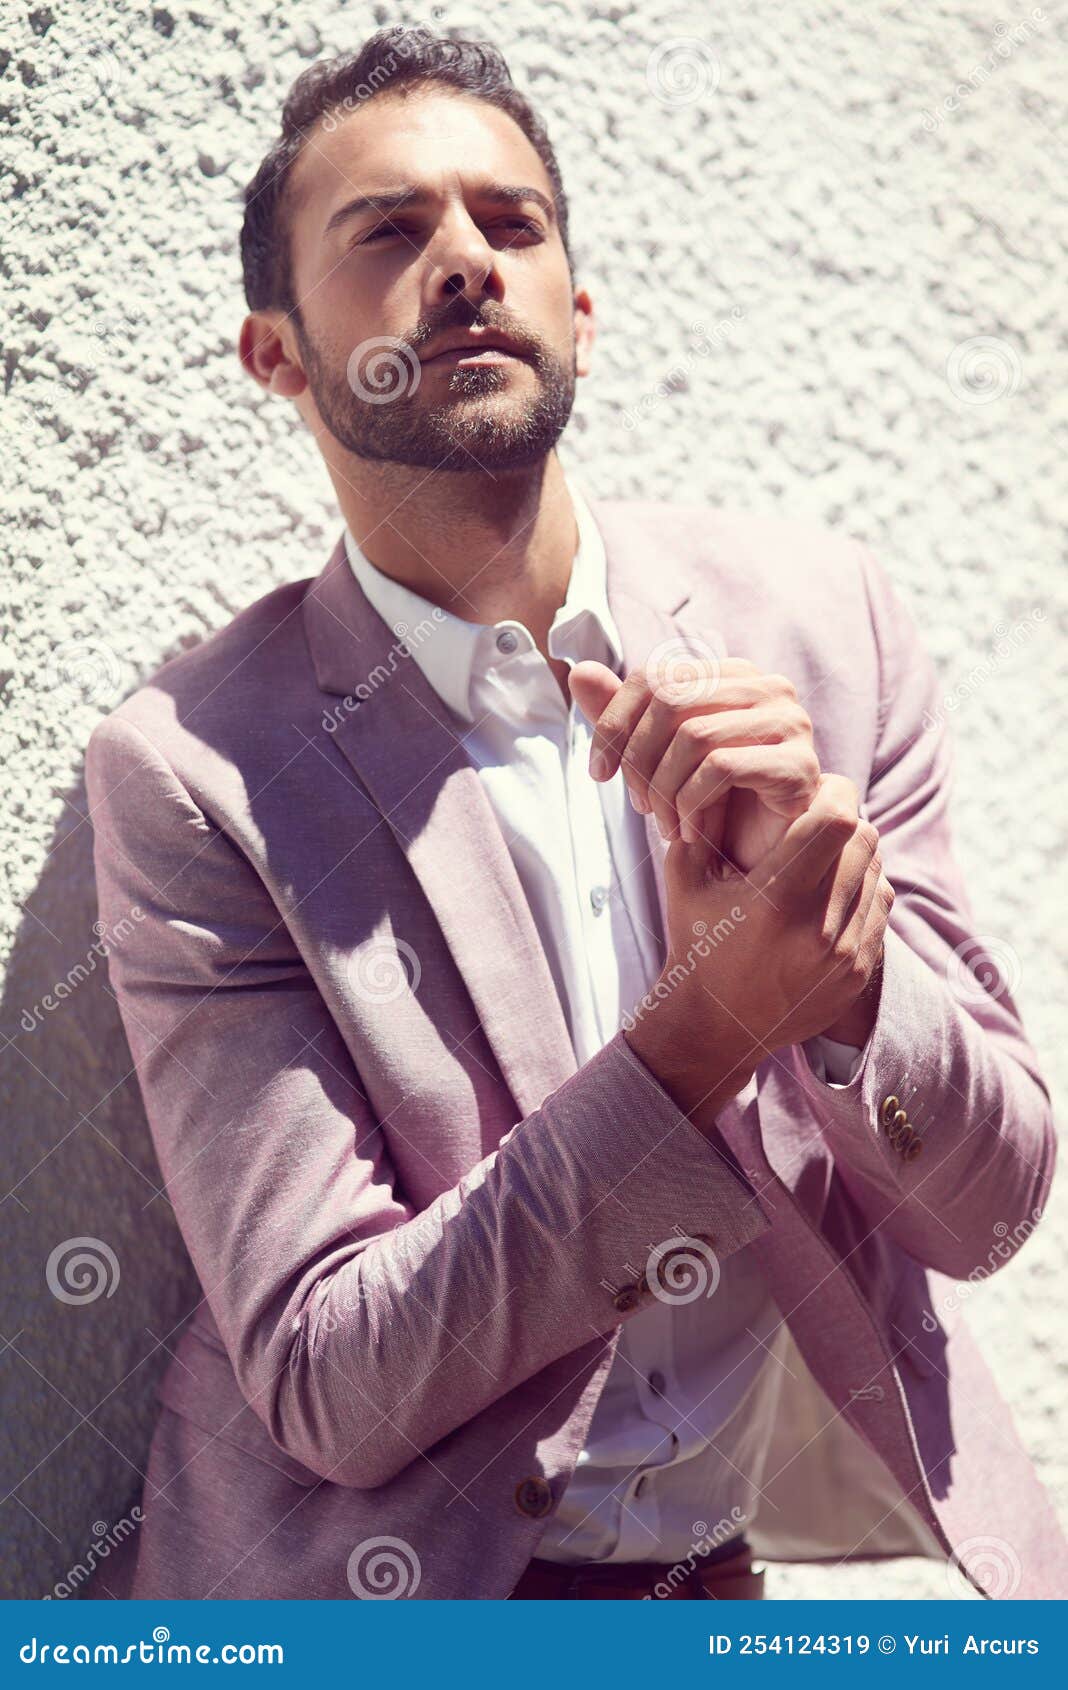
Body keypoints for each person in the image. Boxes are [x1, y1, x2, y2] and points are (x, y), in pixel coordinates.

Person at [84, 26, 1065, 1601]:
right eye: (390, 231)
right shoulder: (199, 771)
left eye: (512, 223)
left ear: (583, 319)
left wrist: (846, 988)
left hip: (730, 1592)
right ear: (276, 353)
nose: (466, 260)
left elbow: (995, 1201)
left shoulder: (827, 630)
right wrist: (702, 1038)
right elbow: (333, 1375)